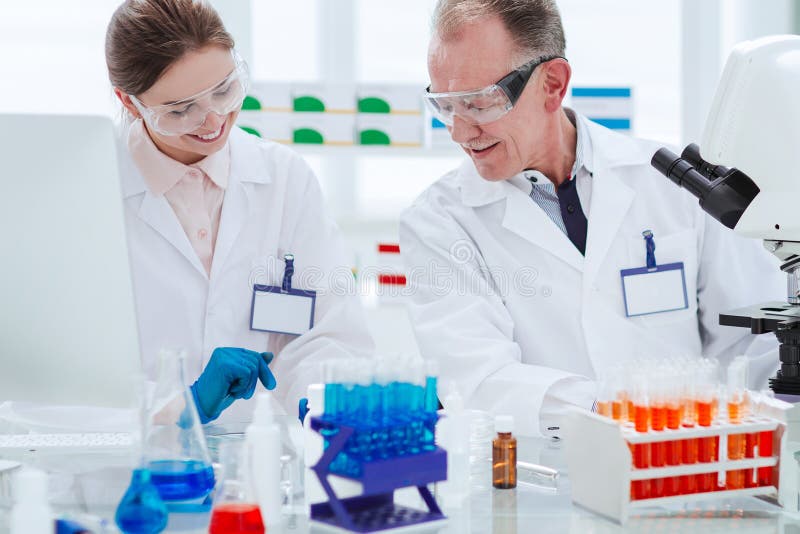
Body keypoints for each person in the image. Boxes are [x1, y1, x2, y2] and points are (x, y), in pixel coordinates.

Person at [400, 0, 784, 437]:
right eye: (446, 106)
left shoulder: (668, 183)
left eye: (481, 103)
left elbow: (753, 342)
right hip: (540, 485)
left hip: (691, 469)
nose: (460, 132)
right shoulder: (438, 221)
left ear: (553, 84)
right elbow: (478, 379)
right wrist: (625, 413)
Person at [105, 0, 373, 423]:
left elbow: (328, 333)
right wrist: (181, 408)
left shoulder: (285, 180)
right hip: (131, 475)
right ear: (130, 102)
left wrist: (321, 403)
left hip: (261, 466)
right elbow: (63, 383)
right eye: (179, 110)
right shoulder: (95, 191)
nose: (213, 120)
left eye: (224, 90)